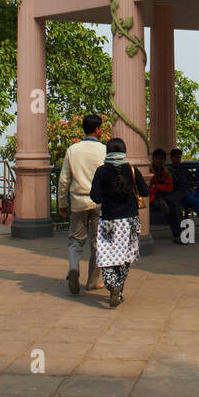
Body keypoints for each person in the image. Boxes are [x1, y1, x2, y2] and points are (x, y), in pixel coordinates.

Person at [88, 137, 148, 308]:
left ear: (108, 152)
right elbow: (145, 191)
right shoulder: (132, 170)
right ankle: (119, 288)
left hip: (109, 221)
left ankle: (112, 285)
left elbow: (95, 196)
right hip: (130, 220)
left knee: (106, 256)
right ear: (124, 152)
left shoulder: (102, 171)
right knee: (125, 257)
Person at [56, 114, 108, 295]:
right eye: (101, 127)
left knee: (75, 240)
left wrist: (62, 203)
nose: (102, 130)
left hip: (78, 202)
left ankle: (73, 267)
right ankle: (93, 281)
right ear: (96, 129)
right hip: (100, 203)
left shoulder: (73, 150)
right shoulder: (104, 150)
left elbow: (64, 179)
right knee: (98, 242)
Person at [147, 148, 189, 243]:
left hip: (163, 197)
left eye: (161, 159)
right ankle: (178, 234)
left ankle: (178, 234)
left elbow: (169, 187)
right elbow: (148, 188)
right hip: (151, 198)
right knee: (170, 206)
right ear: (153, 159)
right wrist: (159, 187)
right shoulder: (148, 170)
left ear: (164, 160)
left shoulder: (166, 172)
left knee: (170, 206)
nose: (159, 161)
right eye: (156, 158)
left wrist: (156, 186)